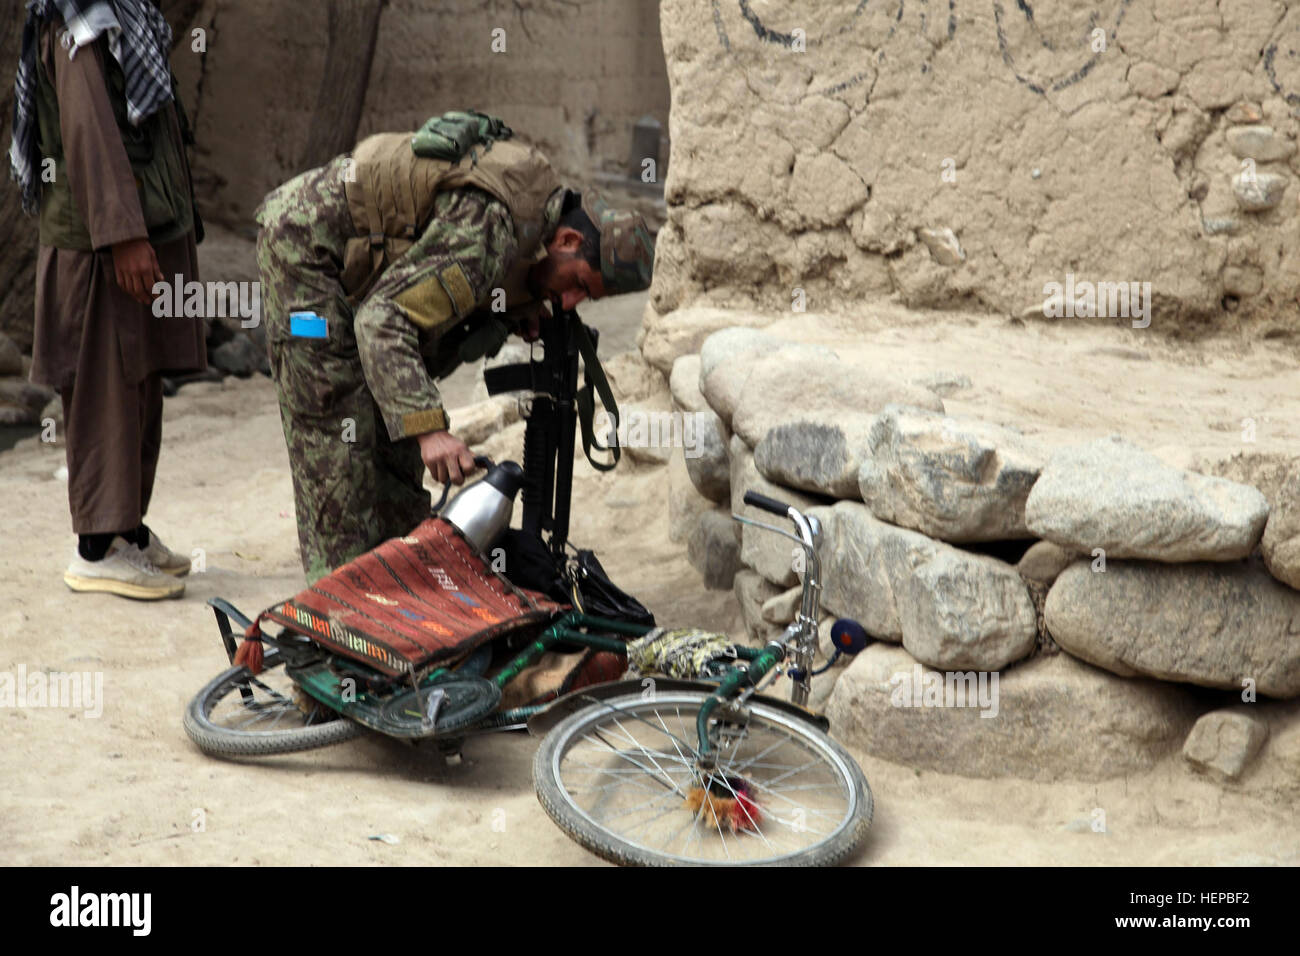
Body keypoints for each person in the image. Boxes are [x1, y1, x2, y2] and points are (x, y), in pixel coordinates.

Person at [255, 121, 654, 583]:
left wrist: (511, 308)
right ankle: (340, 617)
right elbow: (383, 320)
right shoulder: (491, 230)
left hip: (357, 269)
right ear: (568, 241)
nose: (568, 303)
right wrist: (430, 431)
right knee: (337, 425)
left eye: (586, 298)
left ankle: (398, 588)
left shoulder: (535, 218)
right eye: (579, 285)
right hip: (304, 250)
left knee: (389, 431)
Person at [9, 0, 206, 600]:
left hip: (143, 228)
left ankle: (127, 533)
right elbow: (90, 134)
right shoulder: (76, 23)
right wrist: (123, 236)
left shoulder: (125, 14)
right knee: (105, 387)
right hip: (100, 243)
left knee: (140, 383)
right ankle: (97, 546)